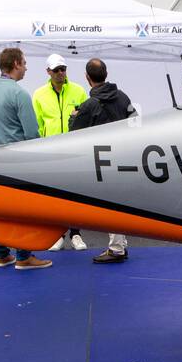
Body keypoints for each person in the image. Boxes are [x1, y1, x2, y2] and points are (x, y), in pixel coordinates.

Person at [0, 48, 52, 270]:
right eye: (24, 63)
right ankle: (23, 256)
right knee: (24, 211)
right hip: (19, 160)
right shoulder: (19, 94)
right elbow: (31, 134)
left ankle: (2, 254)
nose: (26, 67)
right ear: (15, 64)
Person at [71, 58, 135, 263]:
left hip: (101, 162)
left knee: (109, 205)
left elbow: (74, 133)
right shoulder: (124, 97)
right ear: (106, 74)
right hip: (124, 157)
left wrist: (74, 116)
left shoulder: (89, 105)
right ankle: (120, 244)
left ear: (87, 78)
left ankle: (117, 248)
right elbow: (137, 124)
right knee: (119, 202)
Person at [32, 53, 89, 251]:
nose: (60, 73)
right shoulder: (39, 94)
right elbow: (38, 124)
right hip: (51, 152)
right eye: (56, 70)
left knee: (75, 194)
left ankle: (76, 234)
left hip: (74, 150)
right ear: (48, 72)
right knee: (53, 195)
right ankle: (57, 235)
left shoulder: (79, 91)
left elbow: (86, 120)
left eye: (63, 69)